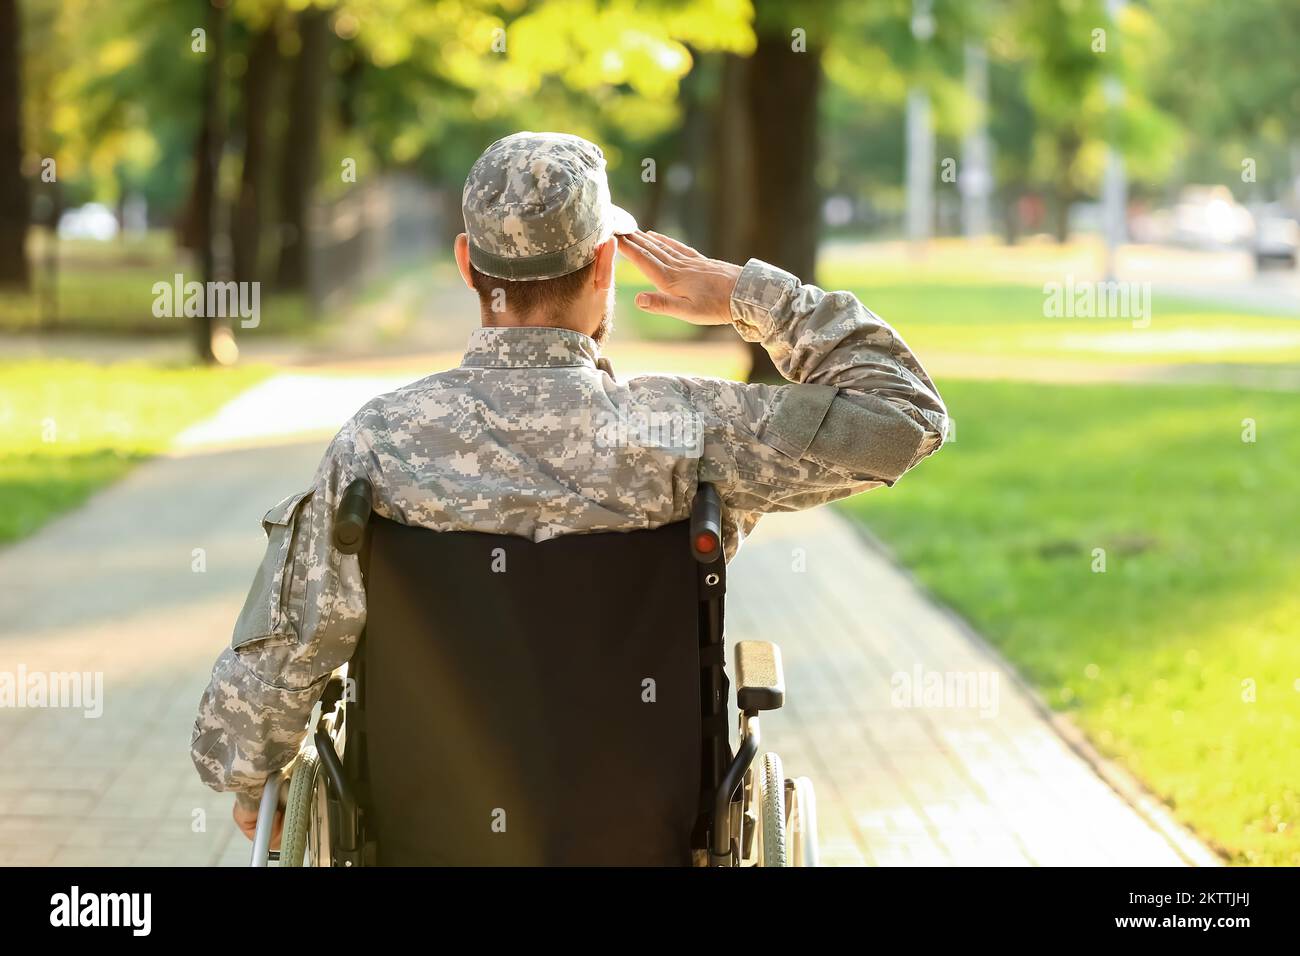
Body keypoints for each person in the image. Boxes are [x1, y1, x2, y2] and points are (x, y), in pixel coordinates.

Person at [191, 131, 949, 845]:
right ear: (603, 267)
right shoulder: (682, 432)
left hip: (428, 839)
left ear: (466, 264)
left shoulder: (380, 442)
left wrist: (256, 786)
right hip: (641, 833)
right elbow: (903, 415)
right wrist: (752, 296)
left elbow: (278, 663)